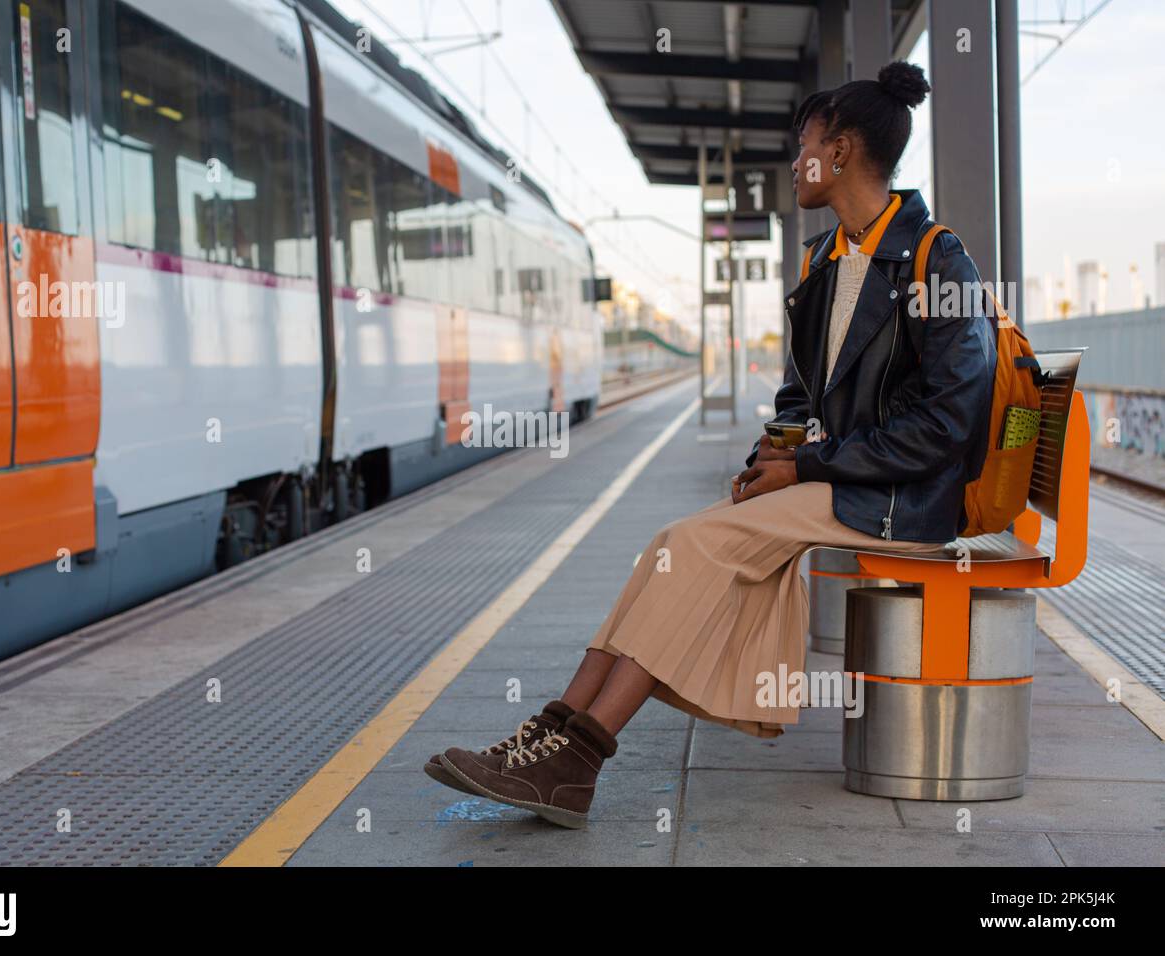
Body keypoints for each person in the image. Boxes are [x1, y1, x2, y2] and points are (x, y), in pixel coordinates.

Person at [424, 61, 998, 829]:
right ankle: (555, 737)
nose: (797, 162)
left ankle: (578, 758)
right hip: (845, 480)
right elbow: (804, 393)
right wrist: (773, 456)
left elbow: (946, 423)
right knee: (674, 543)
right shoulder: (827, 262)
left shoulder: (935, 259)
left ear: (844, 151)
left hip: (905, 497)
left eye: (807, 145)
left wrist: (807, 464)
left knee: (695, 550)